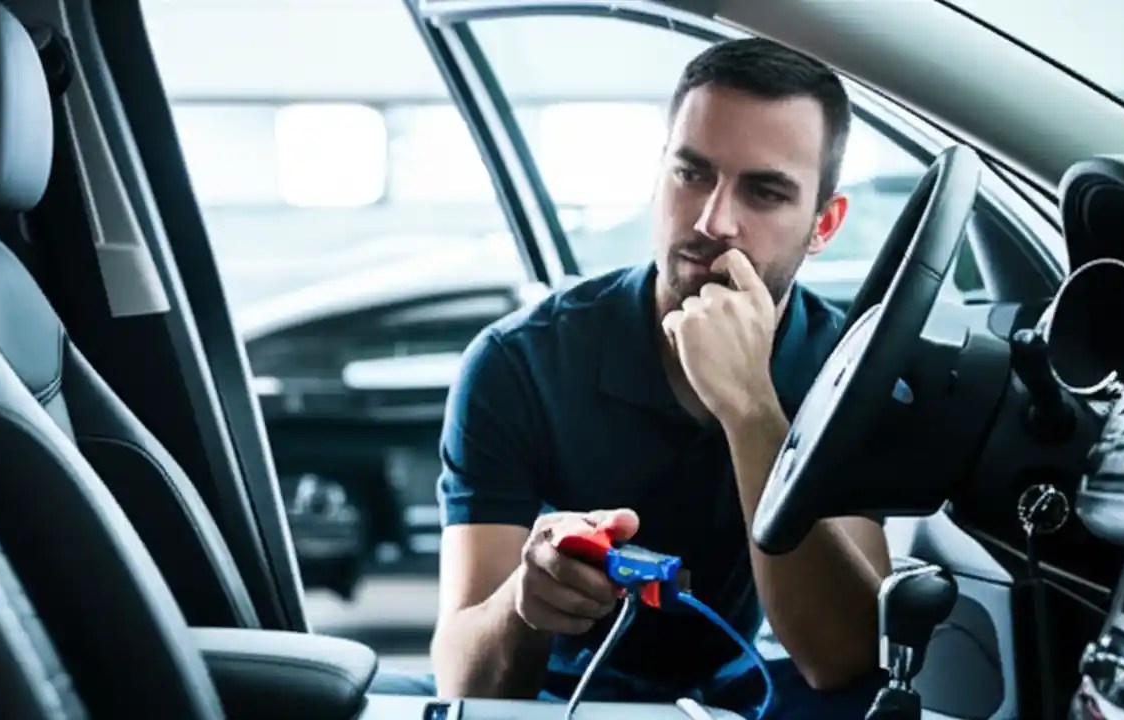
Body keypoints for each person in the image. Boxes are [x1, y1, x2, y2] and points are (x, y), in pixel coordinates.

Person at [372, 37, 892, 718]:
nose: (713, 221)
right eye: (691, 174)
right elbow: (464, 684)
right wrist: (524, 604)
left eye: (764, 192)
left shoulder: (847, 367)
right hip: (564, 698)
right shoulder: (518, 362)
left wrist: (750, 408)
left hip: (745, 686)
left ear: (823, 223)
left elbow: (848, 658)